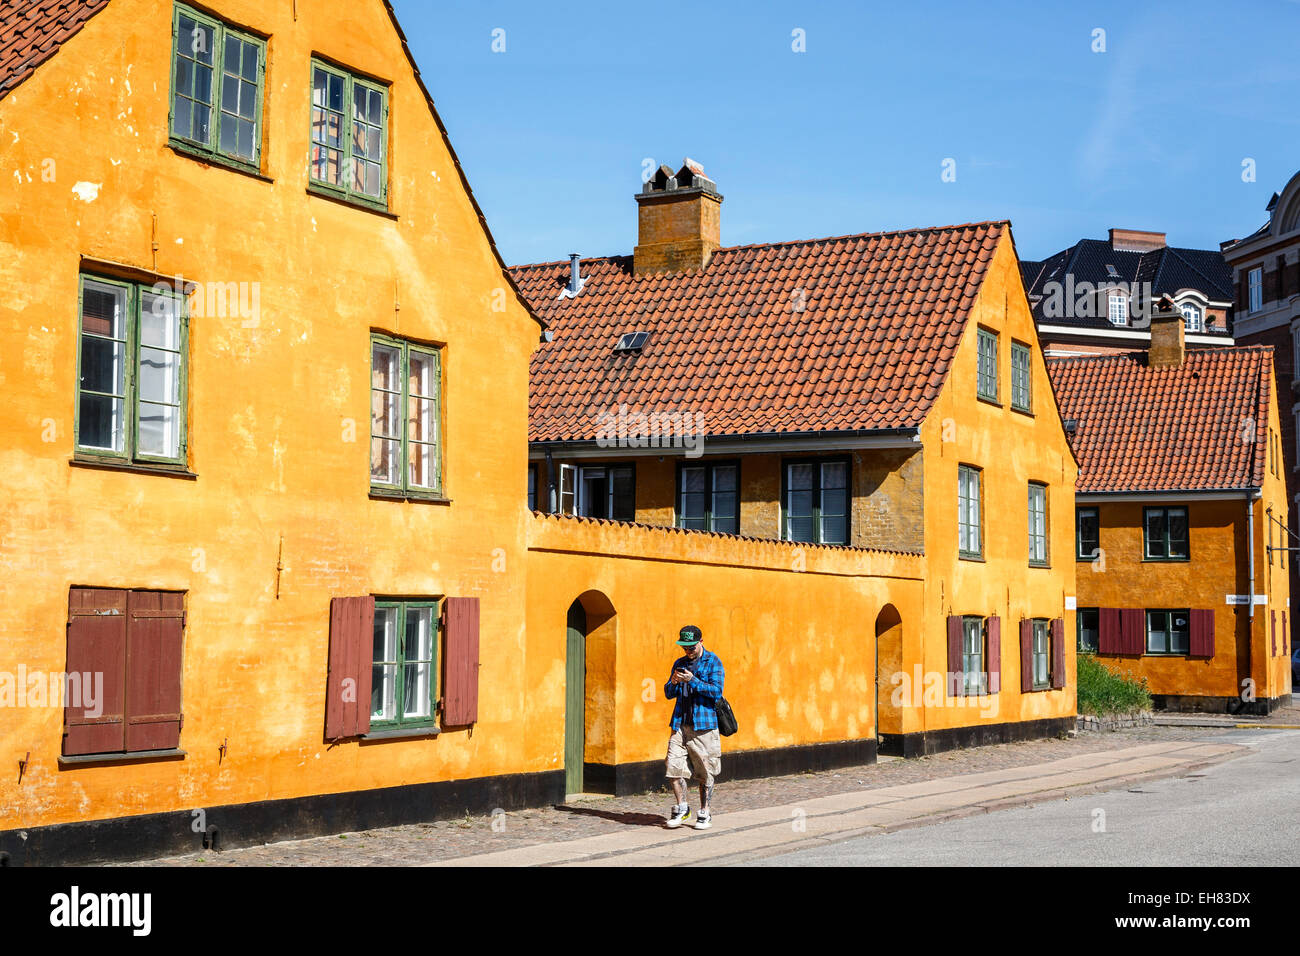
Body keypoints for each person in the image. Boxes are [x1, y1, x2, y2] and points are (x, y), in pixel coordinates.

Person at [663, 624, 725, 829]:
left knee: (704, 772)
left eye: (691, 647)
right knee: (673, 767)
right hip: (680, 724)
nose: (688, 651)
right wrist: (673, 681)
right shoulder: (680, 663)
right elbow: (668, 693)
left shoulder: (713, 661)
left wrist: (693, 681)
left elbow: (716, 691)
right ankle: (682, 808)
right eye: (685, 647)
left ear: (700, 642)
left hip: (704, 726)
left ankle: (705, 812)